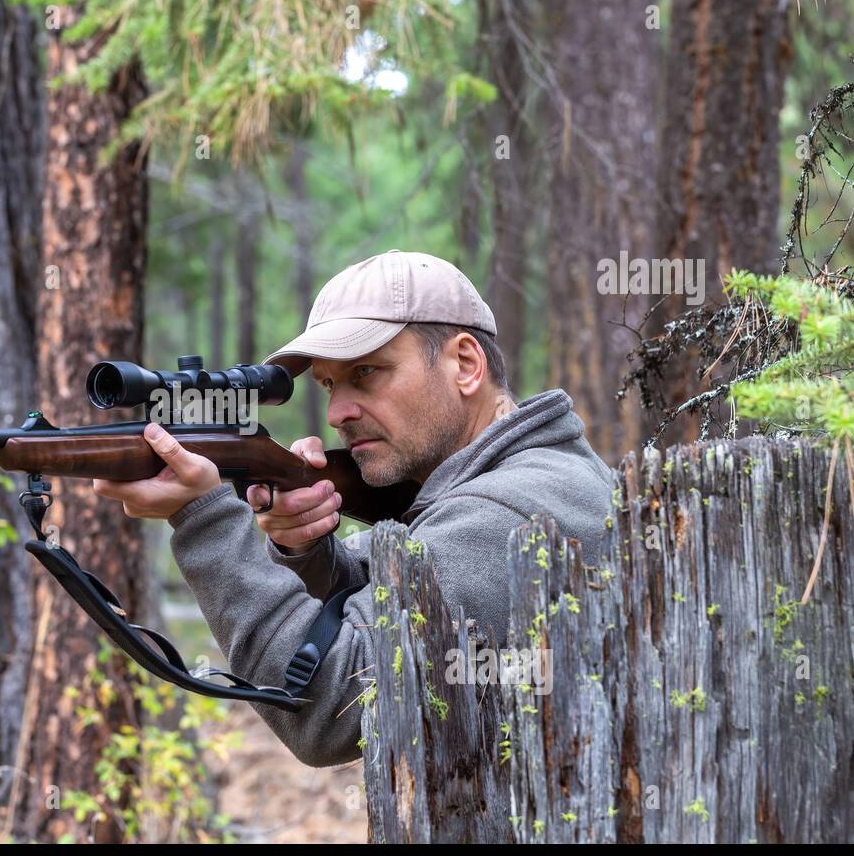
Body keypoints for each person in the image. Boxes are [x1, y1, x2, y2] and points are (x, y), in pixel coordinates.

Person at [92, 250, 615, 767]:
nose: (338, 412)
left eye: (366, 372)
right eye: (328, 383)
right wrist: (305, 548)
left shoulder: (509, 511)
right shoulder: (522, 479)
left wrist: (203, 517)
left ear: (465, 364)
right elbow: (386, 591)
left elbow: (323, 710)